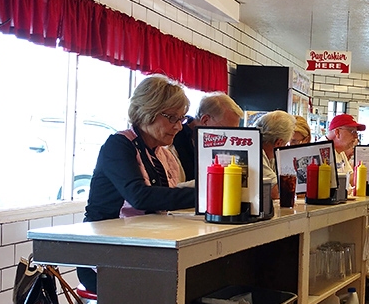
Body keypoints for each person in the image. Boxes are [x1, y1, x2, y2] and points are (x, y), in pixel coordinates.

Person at [77, 74, 196, 292]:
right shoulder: (119, 146)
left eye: (182, 119)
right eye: (172, 118)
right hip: (105, 251)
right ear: (146, 112)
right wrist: (205, 196)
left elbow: (168, 197)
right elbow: (140, 197)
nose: (178, 126)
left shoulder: (164, 155)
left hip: (144, 244)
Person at [173, 92, 244, 180]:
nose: (230, 137)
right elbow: (174, 186)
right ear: (205, 120)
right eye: (226, 130)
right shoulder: (174, 140)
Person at [255, 110, 296, 200]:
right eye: (285, 144)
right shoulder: (257, 154)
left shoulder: (270, 156)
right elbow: (276, 192)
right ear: (279, 143)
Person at [327, 113, 365, 177]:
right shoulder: (321, 151)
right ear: (337, 132)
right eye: (353, 132)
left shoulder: (340, 150)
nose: (356, 136)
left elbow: (350, 178)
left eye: (356, 132)